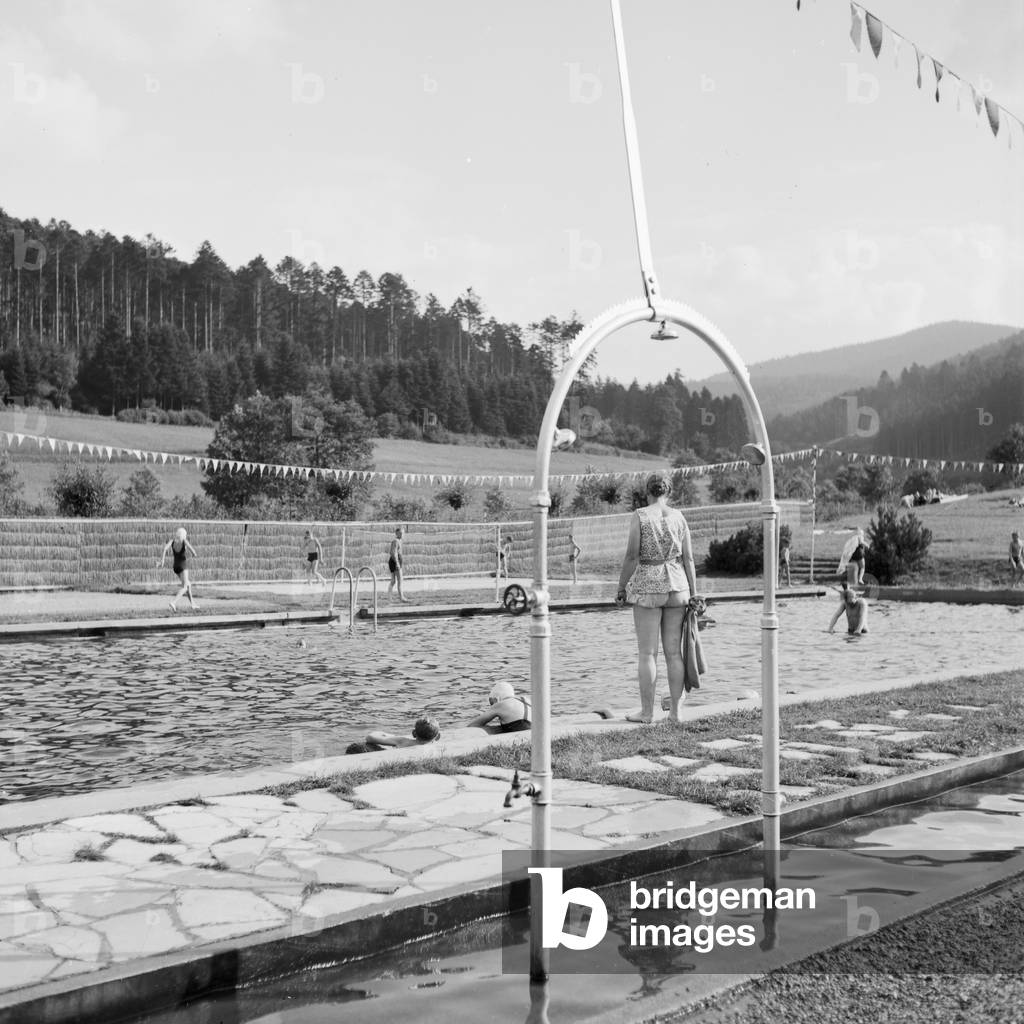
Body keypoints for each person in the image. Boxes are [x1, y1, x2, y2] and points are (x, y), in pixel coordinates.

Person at [615, 472, 698, 724]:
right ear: (668, 492)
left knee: (647, 654)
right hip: (678, 586)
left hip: (649, 587)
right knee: (674, 653)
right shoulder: (679, 516)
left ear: (647, 492)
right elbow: (689, 559)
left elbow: (632, 556)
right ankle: (675, 713)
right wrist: (694, 593)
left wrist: (621, 588)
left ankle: (648, 713)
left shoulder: (640, 515)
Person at [159, 527, 199, 612]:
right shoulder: (184, 541)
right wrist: (194, 554)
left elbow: (165, 549)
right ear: (184, 535)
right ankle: (173, 602)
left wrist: (162, 561)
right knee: (185, 587)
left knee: (188, 585)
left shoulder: (172, 541)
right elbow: (193, 552)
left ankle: (193, 604)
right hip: (183, 566)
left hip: (175, 567)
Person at [467, 681, 531, 733]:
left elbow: (472, 725)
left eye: (491, 702)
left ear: (497, 699)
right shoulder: (527, 700)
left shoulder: (501, 704)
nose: (492, 706)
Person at [364, 716, 441, 749]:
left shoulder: (403, 741)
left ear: (414, 733)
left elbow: (369, 737)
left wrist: (383, 733)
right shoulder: (436, 747)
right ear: (437, 737)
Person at [387, 526, 411, 603]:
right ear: (396, 533)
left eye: (403, 533)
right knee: (400, 580)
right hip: (394, 561)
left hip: (395, 561)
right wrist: (397, 563)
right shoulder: (396, 541)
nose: (402, 534)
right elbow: (393, 553)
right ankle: (401, 597)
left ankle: (389, 598)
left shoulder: (399, 541)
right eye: (400, 533)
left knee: (393, 581)